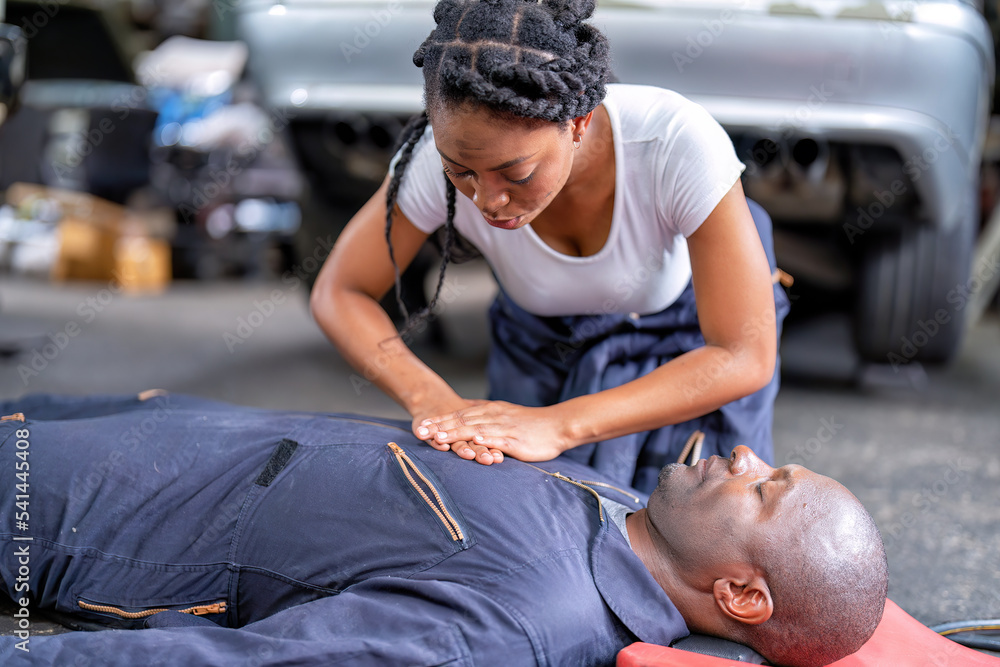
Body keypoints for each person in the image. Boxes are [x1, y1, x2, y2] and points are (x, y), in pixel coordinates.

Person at [1, 393, 886, 667]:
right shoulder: (616, 506)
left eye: (763, 488)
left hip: (97, 513)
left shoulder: (524, 621)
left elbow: (254, 666)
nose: (740, 454)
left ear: (740, 591)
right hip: (169, 426)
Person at [310, 0, 791, 493]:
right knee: (526, 512)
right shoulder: (435, 167)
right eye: (462, 172)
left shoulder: (673, 143)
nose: (487, 200)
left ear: (578, 122)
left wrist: (559, 424)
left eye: (517, 174)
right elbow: (341, 291)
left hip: (687, 346)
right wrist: (434, 401)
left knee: (695, 529)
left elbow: (742, 353)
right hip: (541, 347)